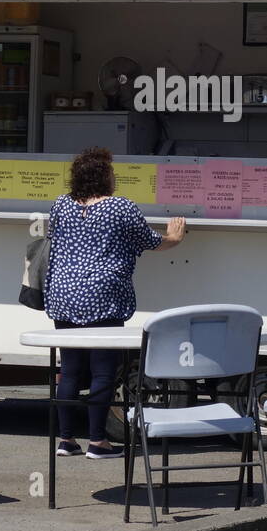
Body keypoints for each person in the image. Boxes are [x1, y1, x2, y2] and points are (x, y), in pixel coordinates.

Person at [45, 146, 186, 458]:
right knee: (102, 371)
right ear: (104, 177)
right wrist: (175, 238)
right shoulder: (120, 207)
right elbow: (149, 241)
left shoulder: (60, 205)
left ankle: (66, 440)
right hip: (102, 295)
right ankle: (98, 441)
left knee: (68, 370)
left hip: (64, 293)